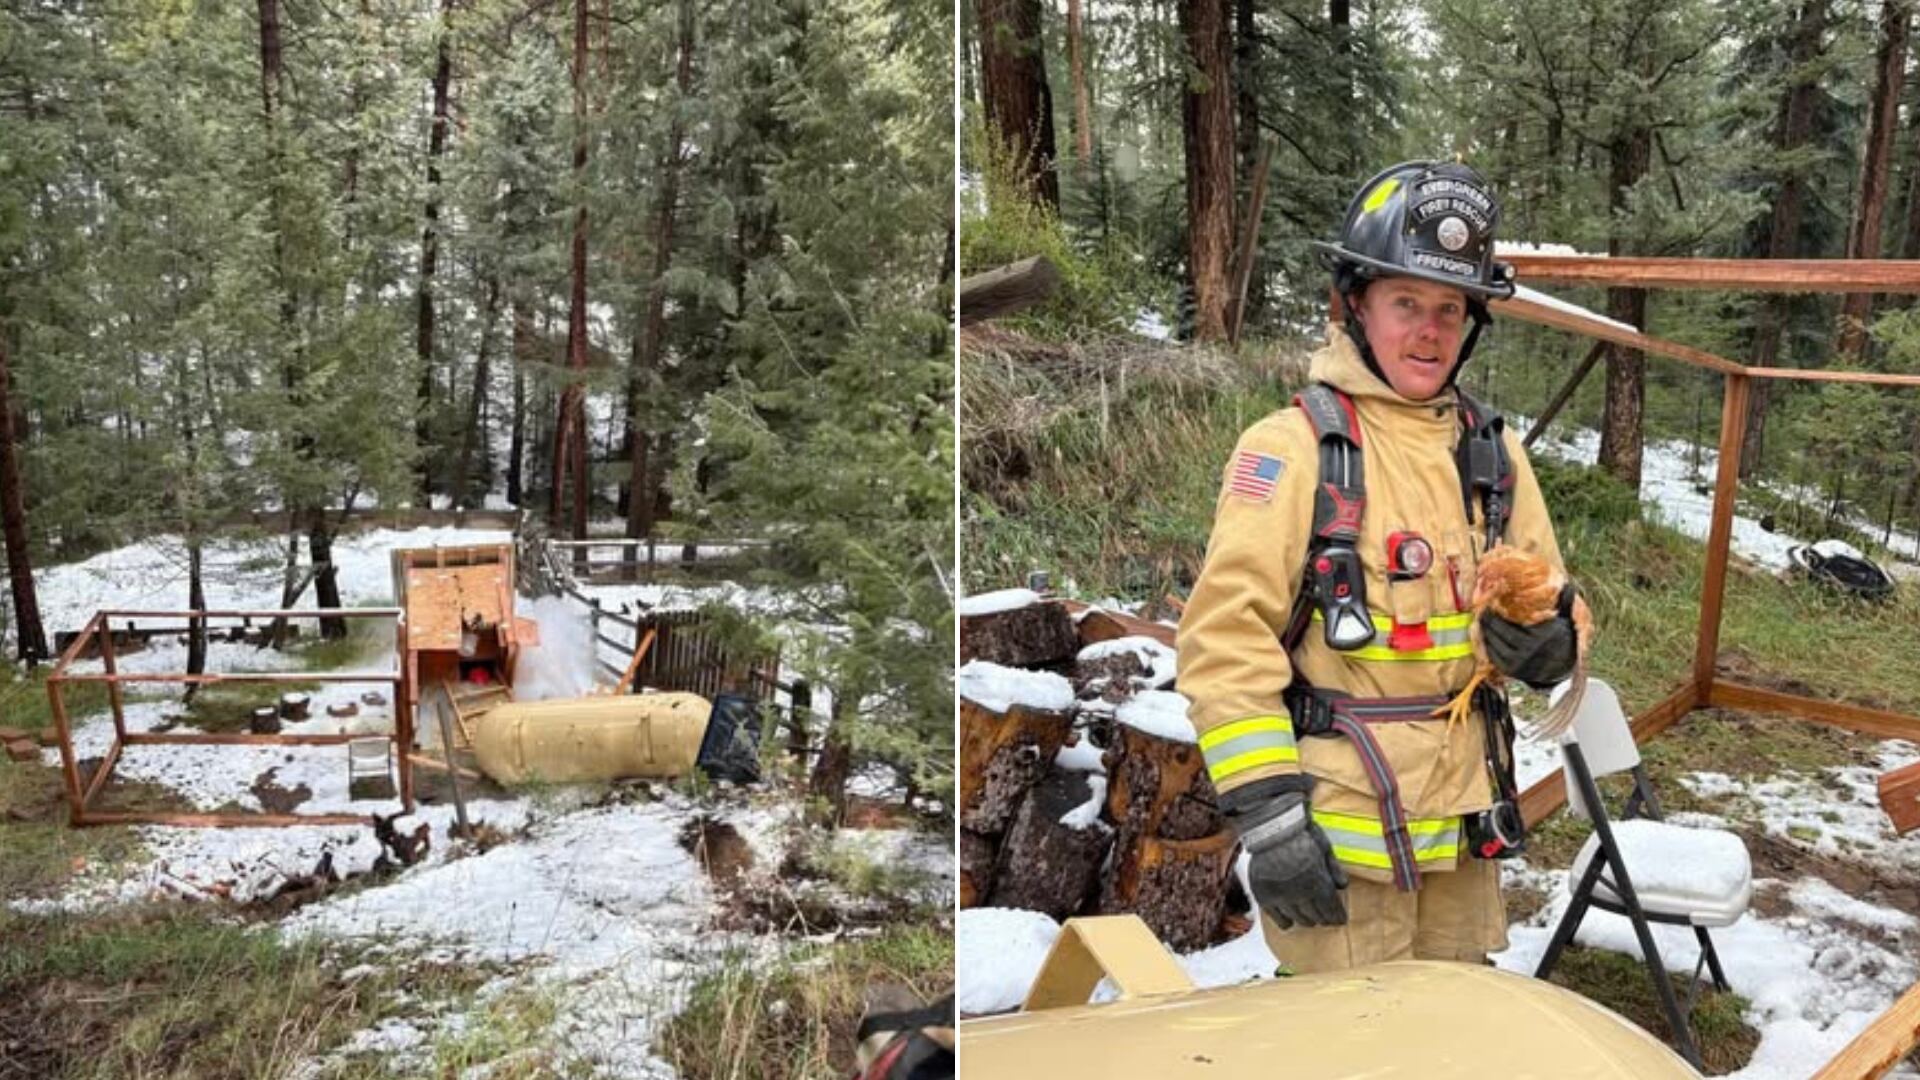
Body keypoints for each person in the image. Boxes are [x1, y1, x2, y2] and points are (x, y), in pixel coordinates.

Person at [1175, 160, 1580, 973]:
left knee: (1450, 1037)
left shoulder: (1492, 454)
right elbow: (1223, 644)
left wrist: (1555, 642)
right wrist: (1272, 818)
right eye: (1406, 304)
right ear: (1354, 304)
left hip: (1462, 839)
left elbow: (1552, 591)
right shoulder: (1289, 451)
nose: (1430, 331)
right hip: (1338, 848)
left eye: (1449, 309)